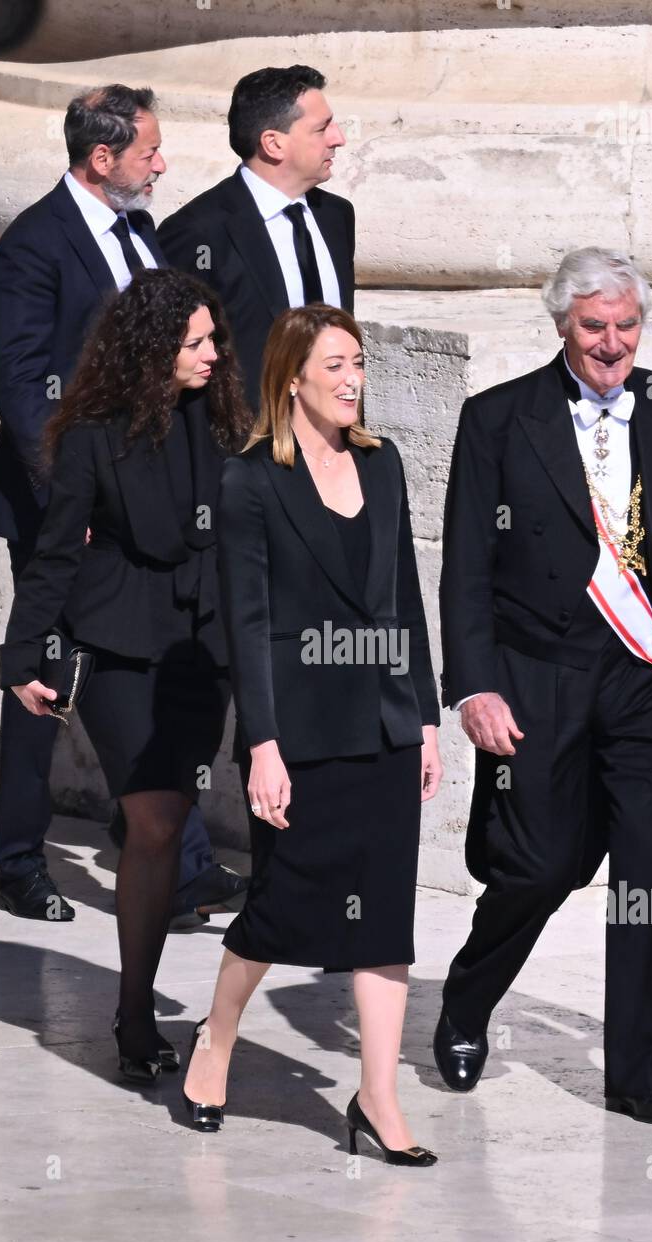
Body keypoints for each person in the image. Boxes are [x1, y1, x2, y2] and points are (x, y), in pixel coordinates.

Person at [435, 247, 652, 1125]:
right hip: (540, 676)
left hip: (646, 680)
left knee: (646, 871)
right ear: (562, 325)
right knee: (540, 864)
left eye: (626, 325)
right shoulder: (497, 418)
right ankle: (466, 999)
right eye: (593, 326)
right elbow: (466, 567)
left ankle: (639, 1075)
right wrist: (473, 688)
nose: (612, 343)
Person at [0, 83, 244, 924]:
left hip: (150, 504)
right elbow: (21, 388)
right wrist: (76, 495)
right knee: (45, 677)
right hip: (67, 506)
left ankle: (173, 858)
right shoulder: (33, 245)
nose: (161, 163)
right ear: (102, 158)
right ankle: (20, 860)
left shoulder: (143, 234)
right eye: (148, 151)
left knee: (161, 671)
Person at [182, 305, 442, 1165]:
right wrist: (261, 744)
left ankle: (378, 1097)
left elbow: (404, 595)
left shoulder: (386, 462)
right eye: (334, 364)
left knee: (385, 918)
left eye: (358, 361)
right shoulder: (250, 481)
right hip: (299, 731)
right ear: (292, 375)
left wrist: (428, 717)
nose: (351, 377)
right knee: (282, 903)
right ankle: (216, 1042)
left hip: (384, 724)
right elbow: (247, 625)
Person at [0, 269, 252, 1079]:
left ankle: (142, 992)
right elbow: (54, 552)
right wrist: (21, 653)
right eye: (194, 343)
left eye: (214, 339)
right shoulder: (90, 433)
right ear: (151, 351)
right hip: (117, 646)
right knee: (148, 823)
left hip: (200, 649)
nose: (212, 355)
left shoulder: (222, 423)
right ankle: (135, 1013)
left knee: (172, 820)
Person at [158, 65, 353, 408]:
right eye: (322, 128)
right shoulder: (198, 231)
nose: (339, 138)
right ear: (273, 143)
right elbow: (173, 362)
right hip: (246, 447)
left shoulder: (336, 216)